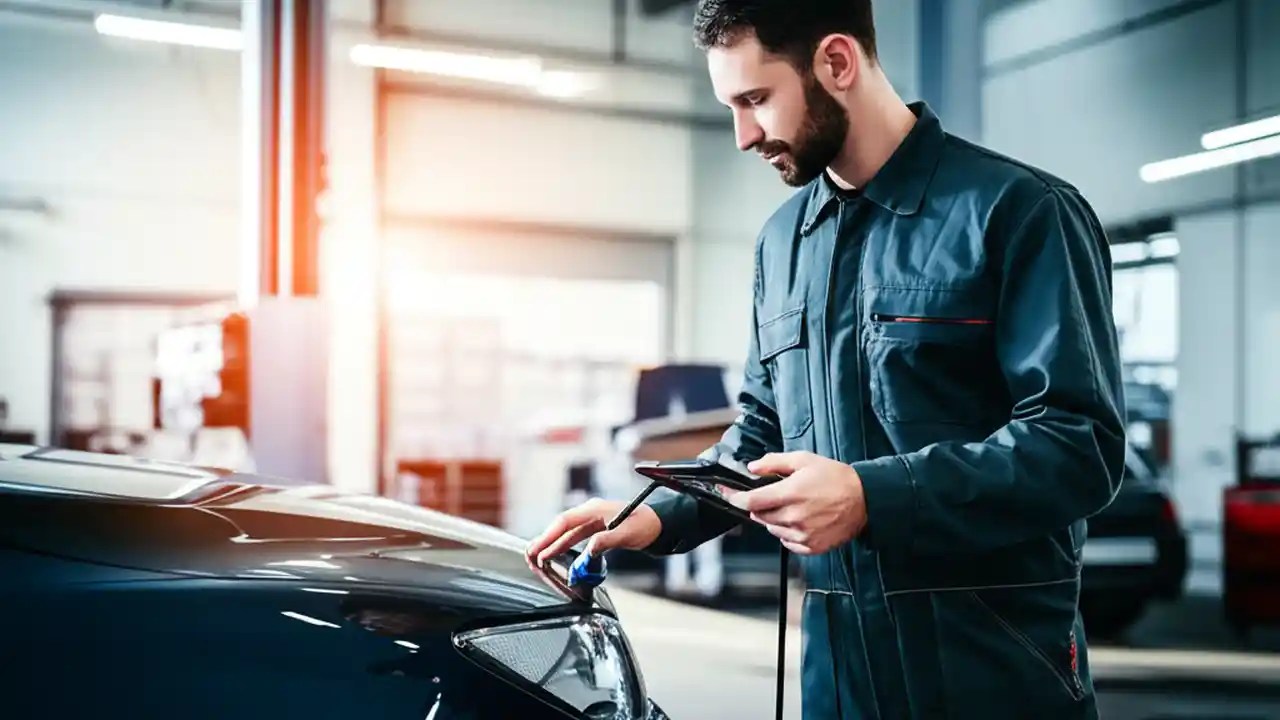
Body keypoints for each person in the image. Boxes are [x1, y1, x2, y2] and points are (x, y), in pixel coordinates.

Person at [526, 1, 1125, 717]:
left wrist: (873, 496)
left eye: (755, 99)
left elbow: (1078, 446)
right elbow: (761, 432)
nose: (744, 135)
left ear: (836, 62)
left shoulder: (1018, 213)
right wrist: (652, 515)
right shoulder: (784, 244)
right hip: (838, 676)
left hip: (992, 667)